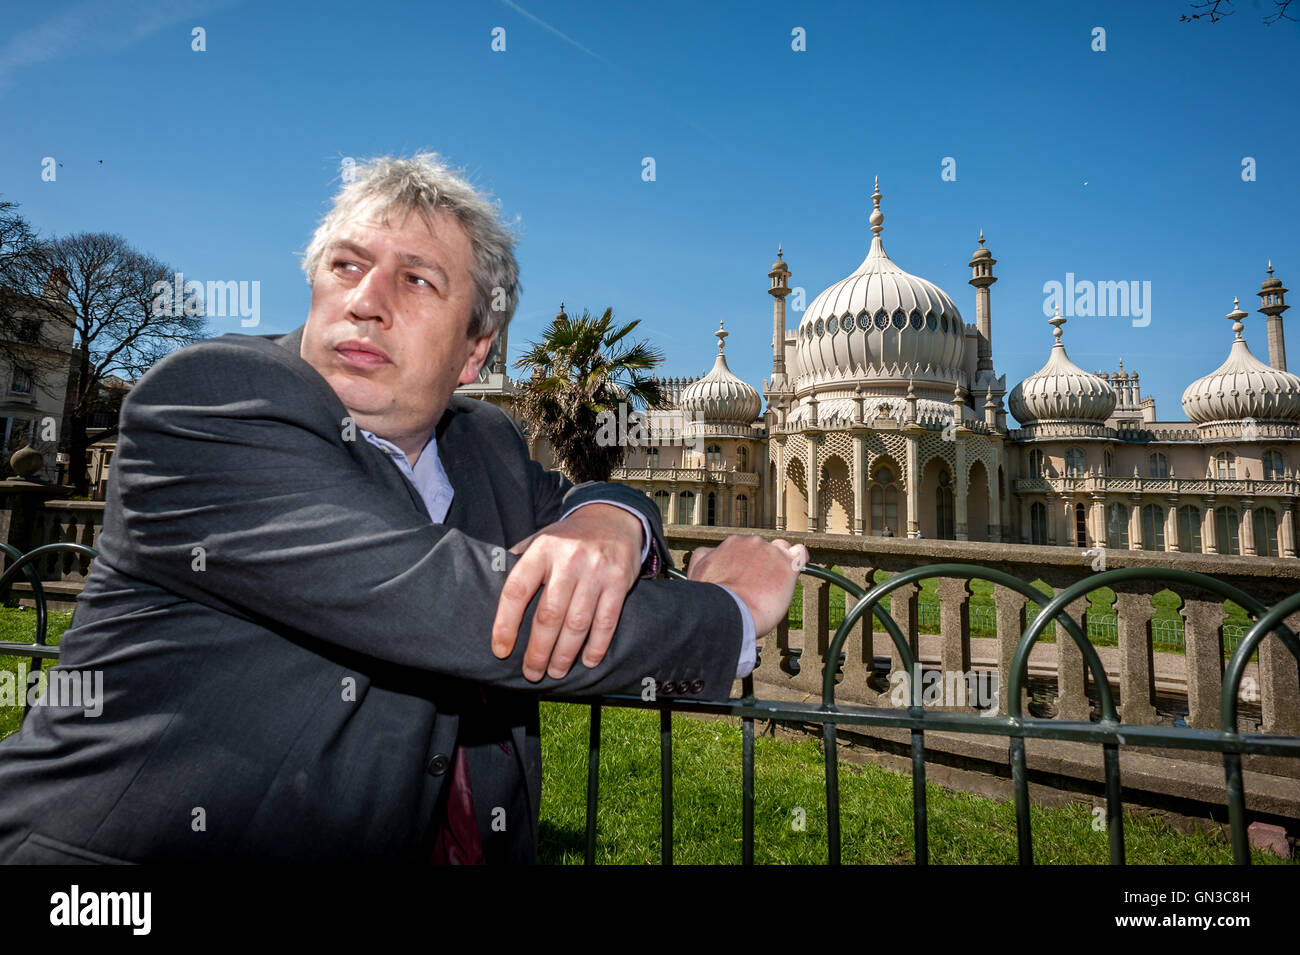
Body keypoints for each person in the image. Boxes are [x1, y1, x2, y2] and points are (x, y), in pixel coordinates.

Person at [0, 153, 805, 864]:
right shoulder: (210, 402)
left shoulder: (484, 439)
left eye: (417, 279)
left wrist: (611, 519)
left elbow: (590, 497)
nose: (367, 301)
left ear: (476, 347)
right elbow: (470, 609)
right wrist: (727, 611)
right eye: (347, 267)